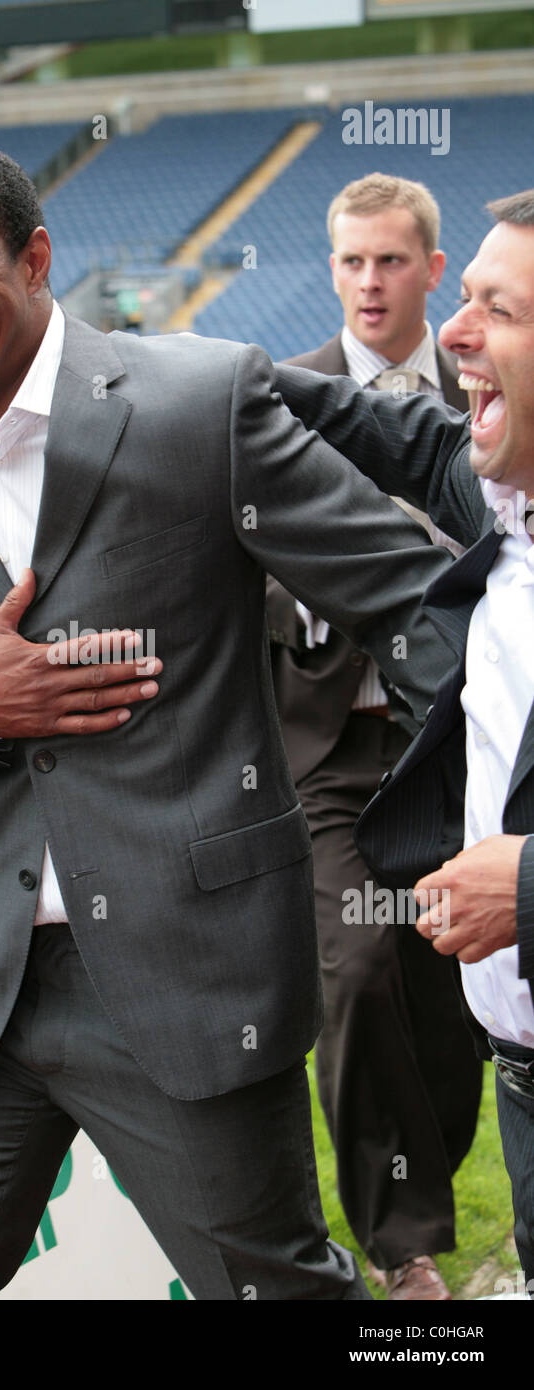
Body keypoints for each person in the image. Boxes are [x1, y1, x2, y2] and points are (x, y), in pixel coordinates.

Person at [0, 137, 457, 1301]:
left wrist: (476, 810)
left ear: (35, 258)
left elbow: (409, 600)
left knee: (277, 1292)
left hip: (189, 986)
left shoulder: (195, 404)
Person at [274, 189, 534, 1291]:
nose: (459, 334)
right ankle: (405, 1239)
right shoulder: (497, 488)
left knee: (425, 1002)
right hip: (341, 756)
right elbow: (406, 435)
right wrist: (192, 376)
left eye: (498, 310)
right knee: (366, 969)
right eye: (464, 304)